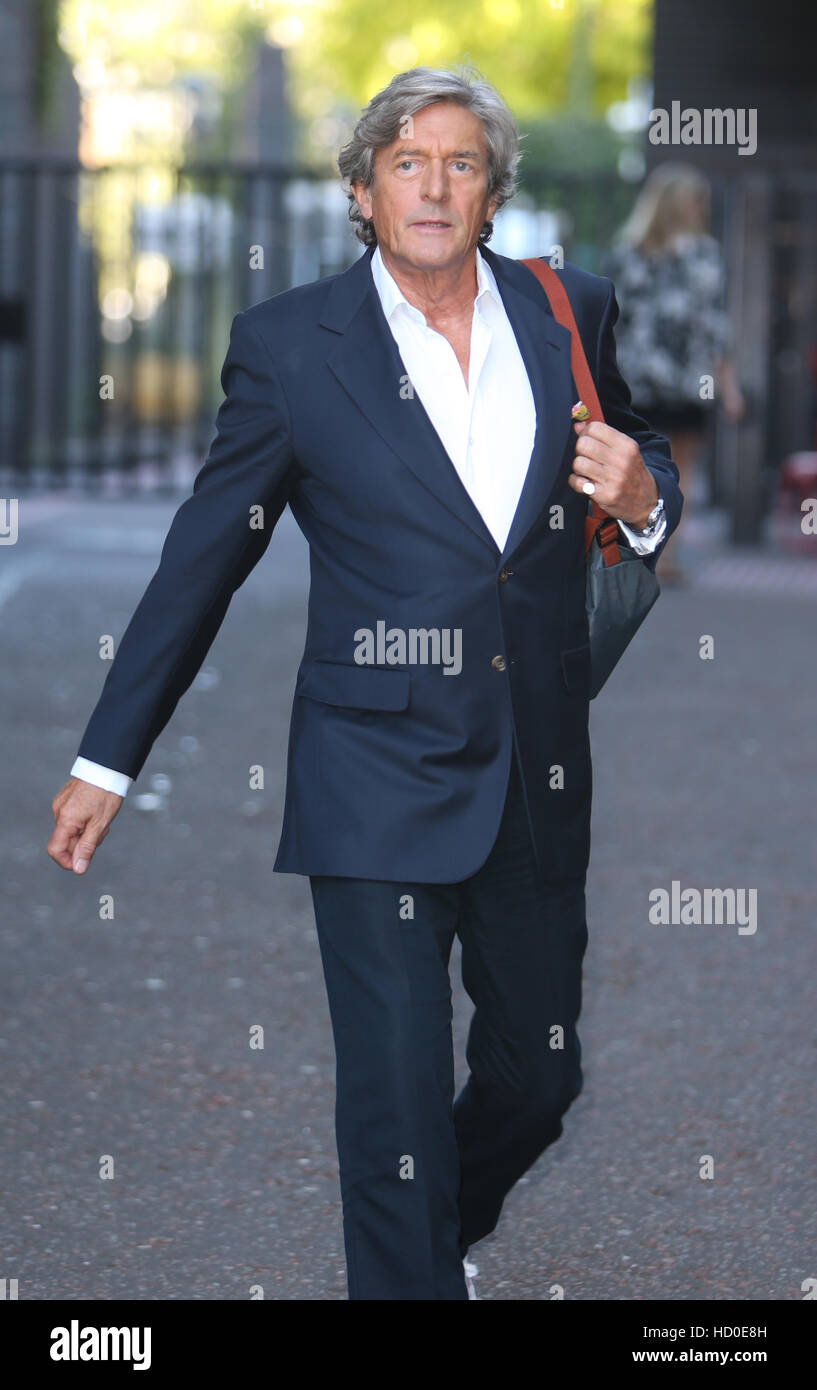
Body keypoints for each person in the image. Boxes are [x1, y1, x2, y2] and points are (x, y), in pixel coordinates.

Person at [47, 65, 682, 1300]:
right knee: (393, 1108)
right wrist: (106, 759)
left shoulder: (569, 310)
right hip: (374, 770)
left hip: (535, 763)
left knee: (536, 1076)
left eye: (459, 162)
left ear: (493, 194)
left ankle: (428, 1236)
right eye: (406, 161)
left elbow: (639, 445)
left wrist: (647, 501)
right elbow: (199, 565)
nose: (433, 183)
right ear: (363, 190)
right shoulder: (292, 350)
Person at [602, 162, 745, 582]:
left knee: (632, 466)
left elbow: (610, 323)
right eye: (697, 200)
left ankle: (630, 555)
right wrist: (730, 387)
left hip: (634, 380)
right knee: (678, 472)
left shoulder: (625, 254)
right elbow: (714, 327)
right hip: (687, 382)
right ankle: (666, 556)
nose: (703, 208)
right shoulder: (704, 256)